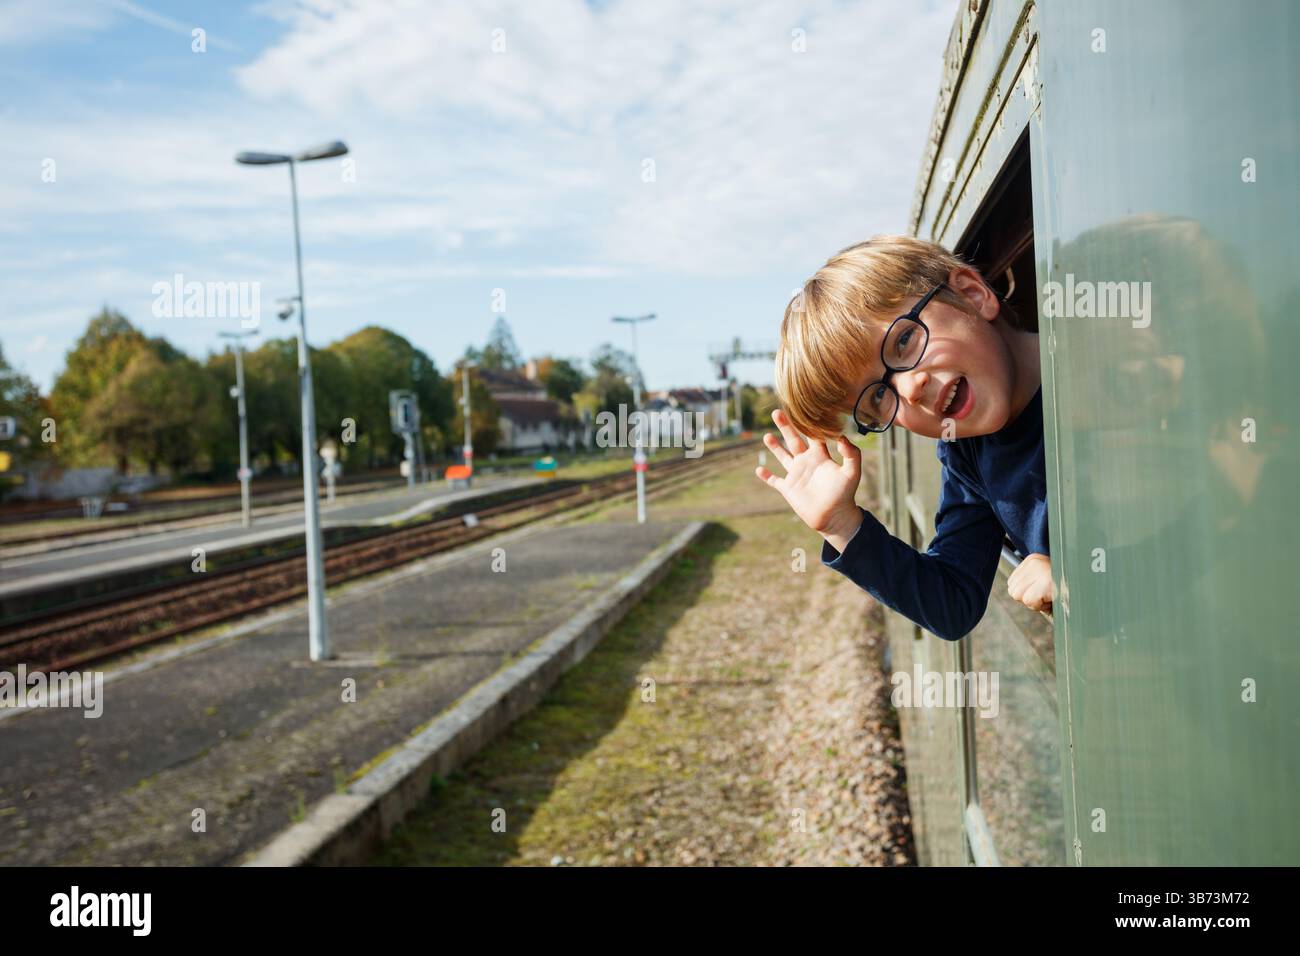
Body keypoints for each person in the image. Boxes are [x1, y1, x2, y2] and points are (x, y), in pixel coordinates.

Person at [755, 235, 1049, 641]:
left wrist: (1080, 575)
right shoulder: (966, 455)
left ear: (973, 294)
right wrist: (842, 525)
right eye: (878, 396)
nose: (909, 390)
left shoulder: (1121, 366)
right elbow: (952, 602)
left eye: (904, 341)